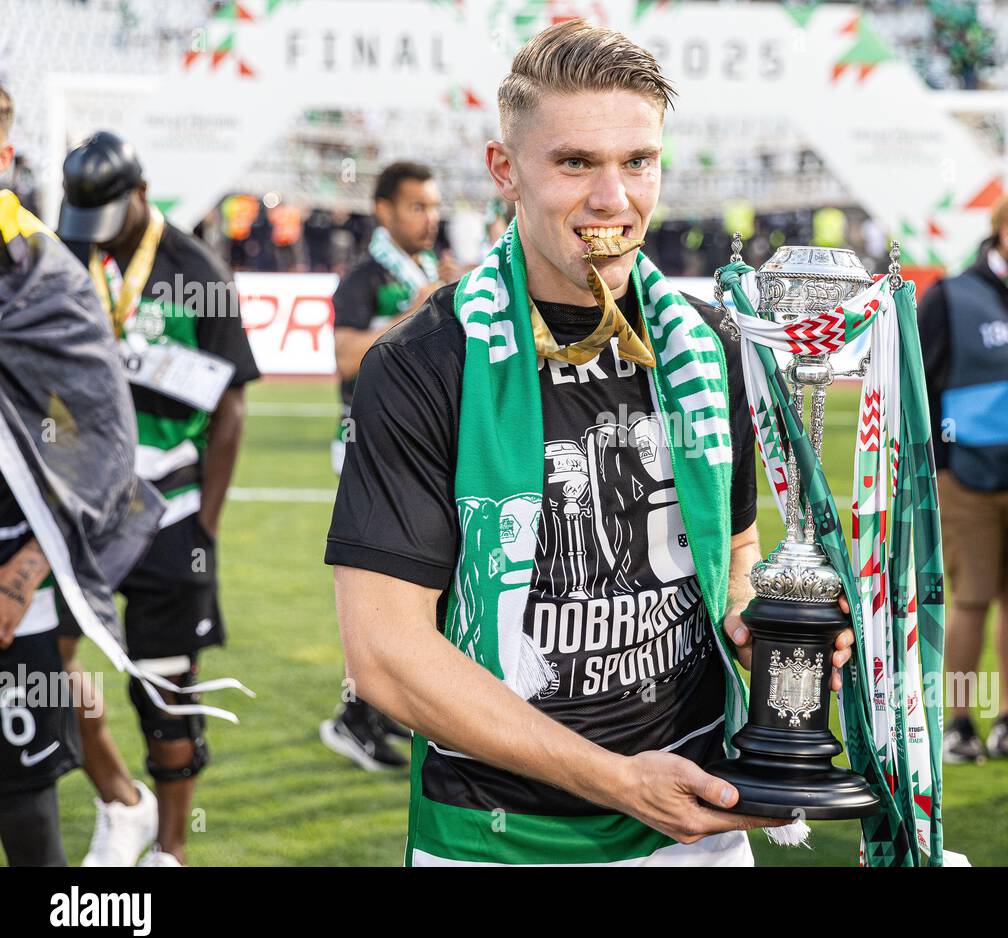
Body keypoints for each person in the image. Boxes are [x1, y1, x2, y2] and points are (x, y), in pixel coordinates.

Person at [327, 20, 855, 866]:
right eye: (575, 163)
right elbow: (386, 656)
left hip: (700, 819)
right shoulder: (426, 362)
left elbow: (739, 548)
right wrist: (616, 779)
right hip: (496, 837)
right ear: (507, 171)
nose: (614, 198)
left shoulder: (710, 343)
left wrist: (771, 629)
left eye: (637, 162)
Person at [57, 131, 260, 866]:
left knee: (166, 691)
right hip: (74, 510)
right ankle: (121, 802)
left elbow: (232, 409)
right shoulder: (62, 254)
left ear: (140, 193)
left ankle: (172, 851)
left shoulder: (195, 268)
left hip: (169, 512)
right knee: (42, 665)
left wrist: (205, 521)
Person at [0, 85, 161, 865]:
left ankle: (132, 807)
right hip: (43, 548)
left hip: (38, 550)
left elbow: (96, 434)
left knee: (25, 785)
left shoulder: (38, 267)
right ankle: (124, 799)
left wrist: (26, 567)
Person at [319, 161, 458, 772]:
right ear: (383, 211)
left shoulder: (433, 269)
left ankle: (378, 710)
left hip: (427, 447)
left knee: (422, 589)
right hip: (370, 448)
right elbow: (346, 358)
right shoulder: (365, 276)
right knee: (376, 589)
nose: (429, 218)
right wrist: (419, 308)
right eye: (415, 207)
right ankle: (354, 716)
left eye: (432, 206)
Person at [918, 192, 1008, 764]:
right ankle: (958, 722)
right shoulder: (952, 295)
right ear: (1007, 234)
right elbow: (920, 387)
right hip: (967, 478)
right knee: (972, 601)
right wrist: (939, 470)